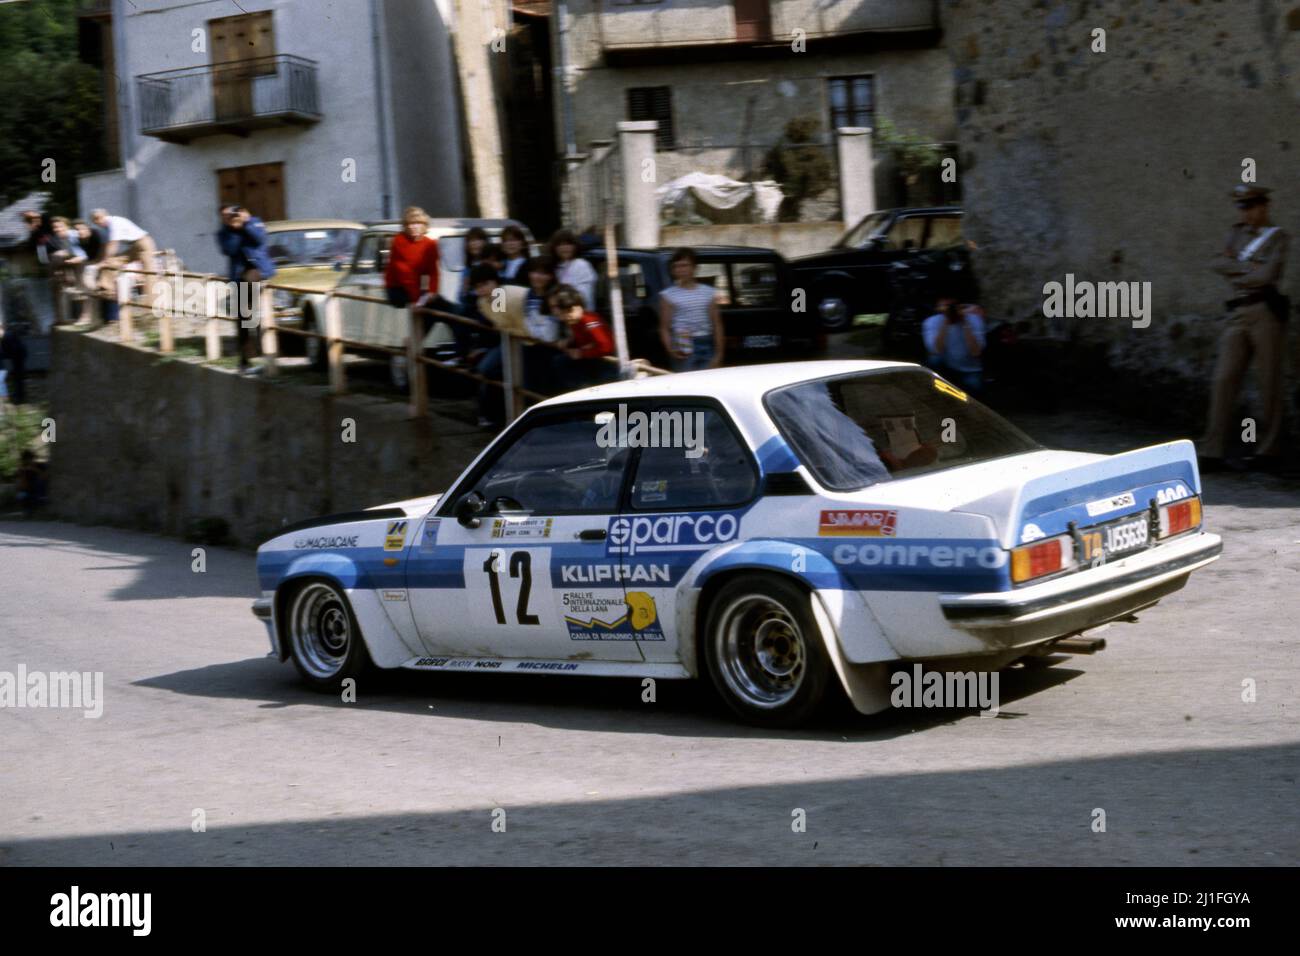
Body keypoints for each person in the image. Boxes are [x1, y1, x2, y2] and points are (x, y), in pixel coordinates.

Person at [1199, 184, 1290, 473]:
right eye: (1242, 207)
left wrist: (1238, 269)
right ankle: (1213, 450)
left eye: (1251, 206)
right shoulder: (1235, 233)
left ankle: (1269, 450)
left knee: (1269, 382)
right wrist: (1247, 271)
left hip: (1265, 312)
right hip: (1237, 312)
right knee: (1223, 379)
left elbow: (1267, 275)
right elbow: (1215, 262)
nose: (1247, 213)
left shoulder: (1278, 238)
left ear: (1264, 206)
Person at [216, 205, 277, 374]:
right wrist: (234, 229)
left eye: (233, 213)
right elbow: (230, 249)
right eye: (226, 215)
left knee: (250, 315)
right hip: (239, 275)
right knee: (244, 320)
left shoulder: (254, 222)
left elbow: (259, 240)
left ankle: (257, 356)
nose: (231, 217)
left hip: (258, 271)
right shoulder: (223, 233)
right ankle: (246, 360)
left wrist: (246, 223)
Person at [658, 247, 724, 372]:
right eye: (676, 266)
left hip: (706, 341)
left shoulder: (708, 292)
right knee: (686, 381)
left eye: (684, 265)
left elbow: (717, 325)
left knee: (709, 380)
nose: (680, 270)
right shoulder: (668, 295)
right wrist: (670, 350)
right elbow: (664, 328)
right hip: (683, 343)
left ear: (694, 268)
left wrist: (719, 353)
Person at [550, 284, 614, 391]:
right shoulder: (574, 322)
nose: (567, 316)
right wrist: (570, 343)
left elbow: (607, 347)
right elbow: (581, 339)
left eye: (569, 311)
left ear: (578, 306)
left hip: (603, 363)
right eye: (564, 312)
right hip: (590, 360)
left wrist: (581, 353)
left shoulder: (590, 320)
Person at [921, 296, 985, 393]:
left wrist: (965, 322)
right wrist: (946, 322)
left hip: (969, 369)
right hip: (948, 366)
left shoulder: (974, 319)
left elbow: (975, 352)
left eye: (952, 306)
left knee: (974, 391)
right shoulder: (932, 321)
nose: (950, 309)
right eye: (946, 306)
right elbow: (936, 350)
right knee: (933, 359)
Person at [548, 229, 598, 313]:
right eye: (560, 244)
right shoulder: (557, 268)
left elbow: (584, 297)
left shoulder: (581, 265)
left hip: (580, 316)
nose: (564, 247)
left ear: (575, 246)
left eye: (568, 244)